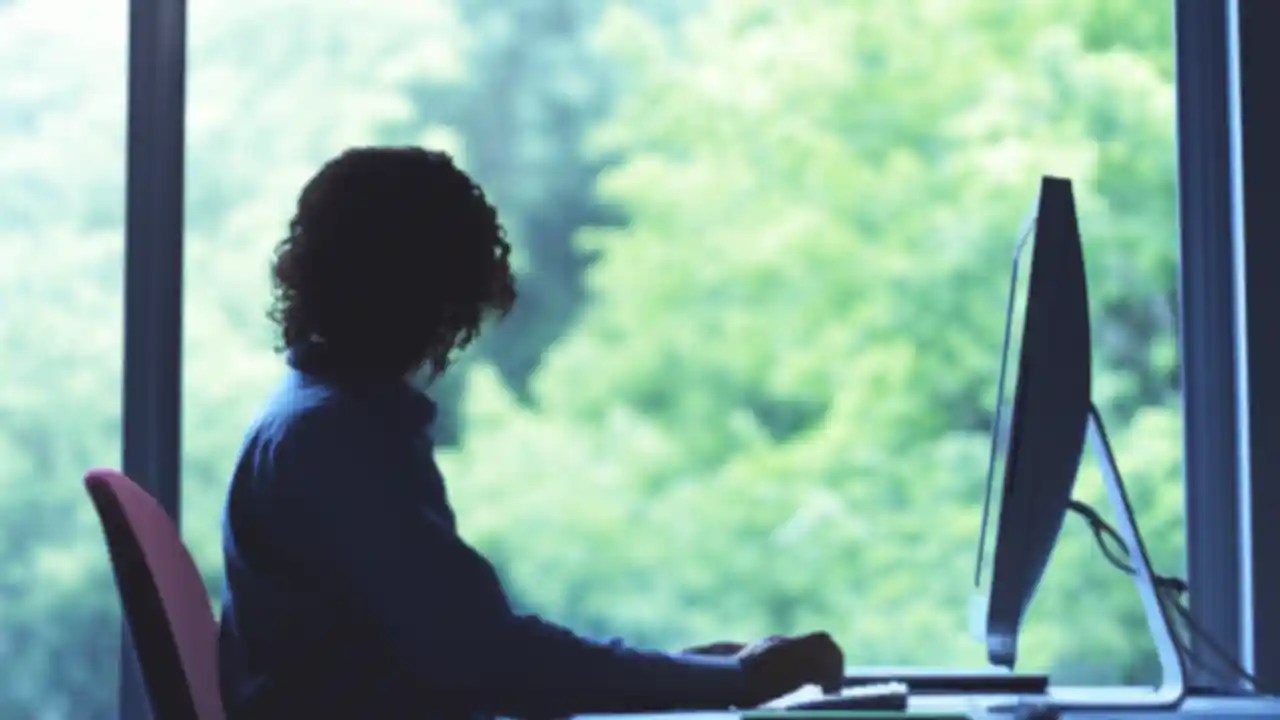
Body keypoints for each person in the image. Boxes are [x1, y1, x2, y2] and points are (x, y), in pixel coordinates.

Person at [218, 146, 845, 718]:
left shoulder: (306, 421)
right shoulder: (338, 440)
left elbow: (468, 653)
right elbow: (487, 661)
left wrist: (693, 673)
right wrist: (733, 681)